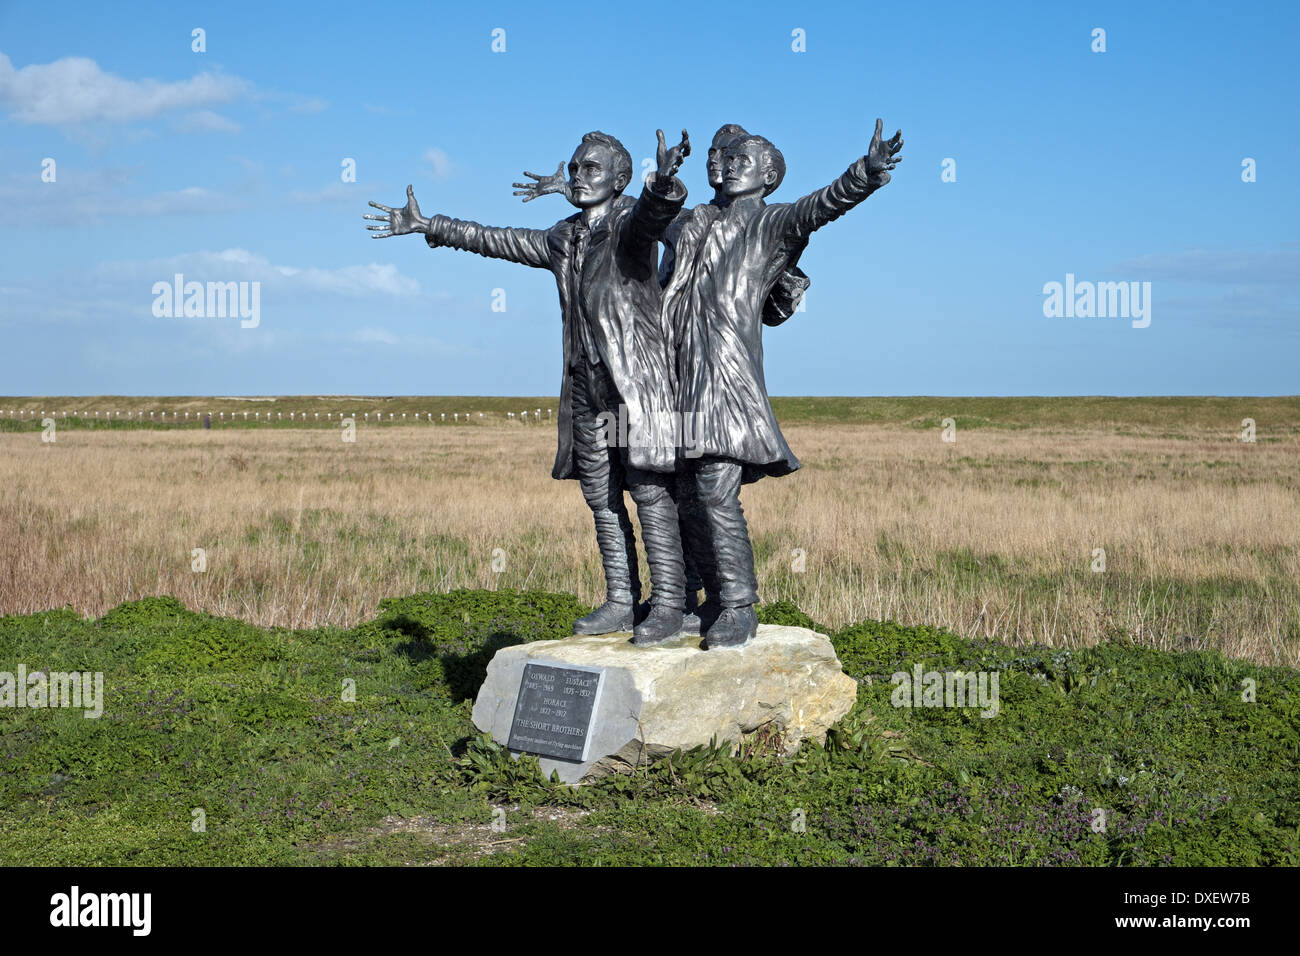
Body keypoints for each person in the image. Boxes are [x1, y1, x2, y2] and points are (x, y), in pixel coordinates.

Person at [365, 129, 694, 645]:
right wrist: (432, 225)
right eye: (575, 167)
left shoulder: (631, 229)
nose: (578, 177)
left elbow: (654, 214)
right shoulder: (563, 238)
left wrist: (665, 181)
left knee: (650, 491)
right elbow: (500, 239)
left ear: (620, 180)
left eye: (591, 169)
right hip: (585, 386)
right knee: (601, 496)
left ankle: (671, 604)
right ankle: (621, 601)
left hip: (633, 384)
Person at [662, 118, 903, 648]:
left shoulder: (772, 223)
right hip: (678, 371)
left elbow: (821, 205)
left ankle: (738, 605)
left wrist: (864, 173)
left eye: (741, 162)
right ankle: (690, 599)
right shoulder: (695, 220)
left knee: (715, 490)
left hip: (725, 375)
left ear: (768, 176)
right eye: (726, 160)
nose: (727, 167)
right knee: (684, 492)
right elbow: (645, 225)